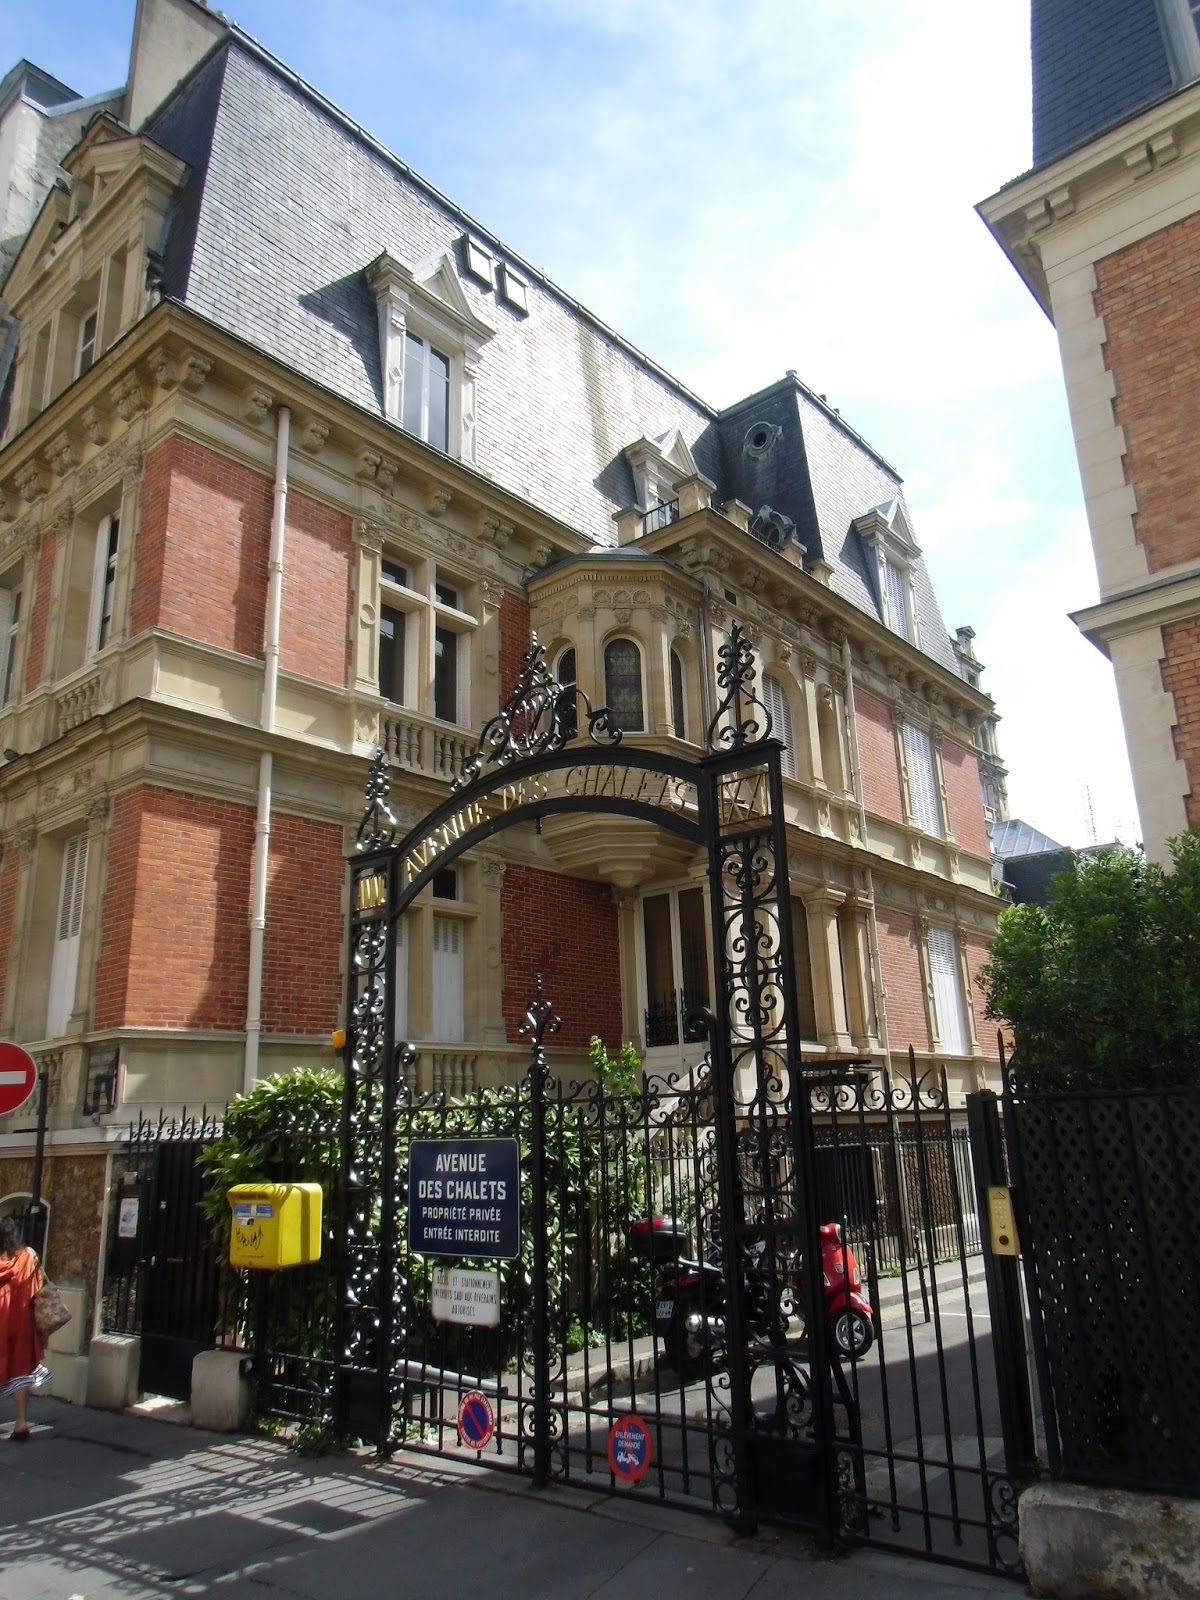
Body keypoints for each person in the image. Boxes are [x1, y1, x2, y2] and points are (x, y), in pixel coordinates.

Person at [0, 1216, 47, 1440]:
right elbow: (38, 1285)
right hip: (22, 1321)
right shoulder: (29, 1256)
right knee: (20, 1371)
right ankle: (20, 1422)